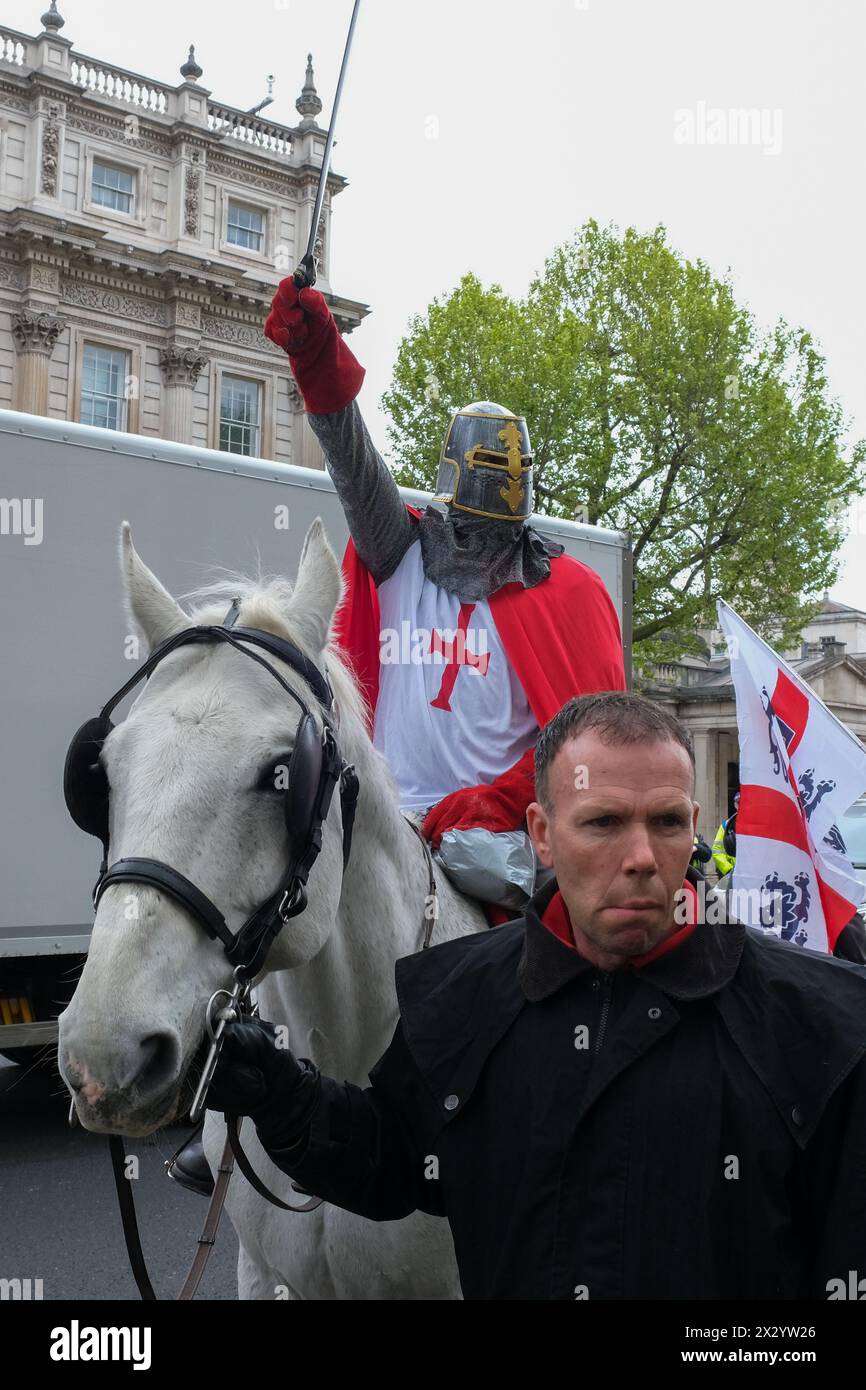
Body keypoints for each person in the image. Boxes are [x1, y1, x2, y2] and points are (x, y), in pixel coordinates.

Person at [204, 691, 866, 1299]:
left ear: (693, 825)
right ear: (543, 835)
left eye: (665, 822)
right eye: (603, 823)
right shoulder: (459, 994)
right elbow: (393, 1162)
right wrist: (279, 1093)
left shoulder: (827, 1027)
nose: (641, 855)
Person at [262, 280, 626, 915]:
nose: (488, 549)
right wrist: (316, 354)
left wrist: (502, 800)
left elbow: (587, 740)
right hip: (382, 820)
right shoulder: (399, 551)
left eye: (499, 535)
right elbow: (352, 460)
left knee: (558, 931)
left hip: (496, 839)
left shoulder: (562, 592)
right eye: (478, 533)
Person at [711, 791, 739, 877]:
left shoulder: (757, 824)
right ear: (735, 805)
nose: (741, 805)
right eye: (739, 802)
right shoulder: (726, 825)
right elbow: (717, 851)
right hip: (731, 874)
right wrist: (729, 870)